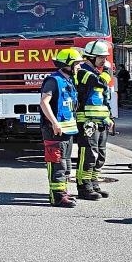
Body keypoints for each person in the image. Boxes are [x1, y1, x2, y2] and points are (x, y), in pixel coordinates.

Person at [39, 48, 82, 208]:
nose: (78, 67)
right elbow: (44, 102)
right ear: (67, 64)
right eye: (76, 64)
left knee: (66, 163)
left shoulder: (68, 80)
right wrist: (55, 123)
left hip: (67, 129)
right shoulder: (53, 80)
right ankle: (56, 197)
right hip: (55, 130)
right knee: (57, 162)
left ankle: (63, 191)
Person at [73, 40, 115, 200]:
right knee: (89, 155)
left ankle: (94, 183)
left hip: (101, 121)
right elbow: (100, 83)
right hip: (87, 122)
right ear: (90, 57)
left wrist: (108, 117)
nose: (104, 61)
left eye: (105, 57)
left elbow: (103, 98)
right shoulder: (83, 72)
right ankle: (84, 187)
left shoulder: (96, 72)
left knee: (100, 155)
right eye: (101, 57)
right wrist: (107, 71)